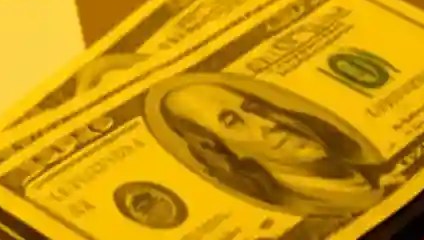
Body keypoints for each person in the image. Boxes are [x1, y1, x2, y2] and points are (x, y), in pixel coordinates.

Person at [158, 80, 403, 216]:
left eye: (254, 108)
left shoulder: (372, 167)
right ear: (220, 150)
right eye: (232, 122)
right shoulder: (303, 208)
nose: (268, 123)